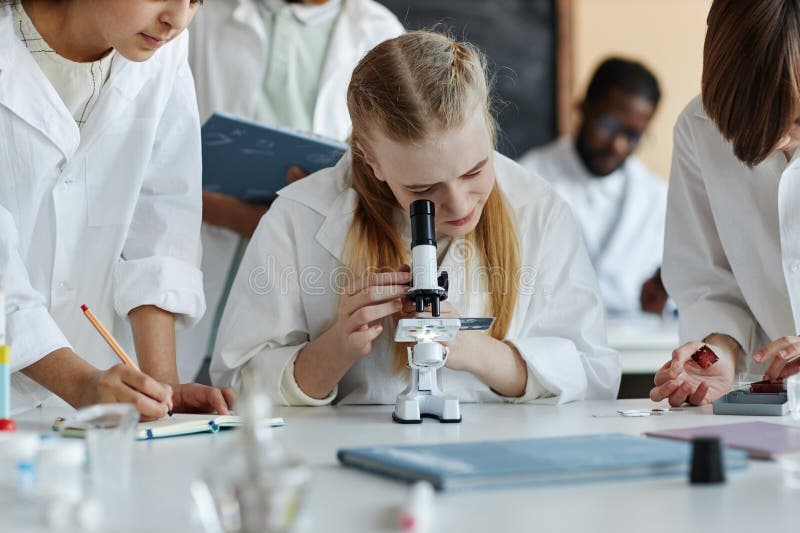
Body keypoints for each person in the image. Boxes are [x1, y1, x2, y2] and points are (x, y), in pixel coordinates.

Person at [211, 31, 621, 405]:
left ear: (489, 127)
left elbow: (596, 376)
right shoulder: (298, 216)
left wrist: (477, 352)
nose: (460, 206)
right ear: (373, 162)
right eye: (423, 191)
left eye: (475, 171)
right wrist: (336, 347)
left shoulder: (540, 210)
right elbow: (235, 385)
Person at [0, 0, 234, 418]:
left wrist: (163, 387)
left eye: (197, 0)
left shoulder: (162, 54)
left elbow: (161, 218)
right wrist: (79, 383)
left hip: (93, 401)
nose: (177, 19)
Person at [180, 0, 404, 383]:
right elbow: (159, 166)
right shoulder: (204, 16)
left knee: (283, 393)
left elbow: (392, 176)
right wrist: (239, 216)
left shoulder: (378, 30)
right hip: (202, 261)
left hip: (308, 282)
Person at [650, 0, 800, 406]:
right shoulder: (700, 129)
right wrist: (717, 349)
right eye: (753, 123)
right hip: (777, 410)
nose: (778, 142)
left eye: (798, 122)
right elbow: (710, 283)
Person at [518, 58, 668, 316]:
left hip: (637, 347)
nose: (617, 145)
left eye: (633, 135)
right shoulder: (527, 178)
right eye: (608, 126)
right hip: (546, 342)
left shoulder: (657, 197)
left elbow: (671, 299)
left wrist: (661, 302)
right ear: (583, 107)